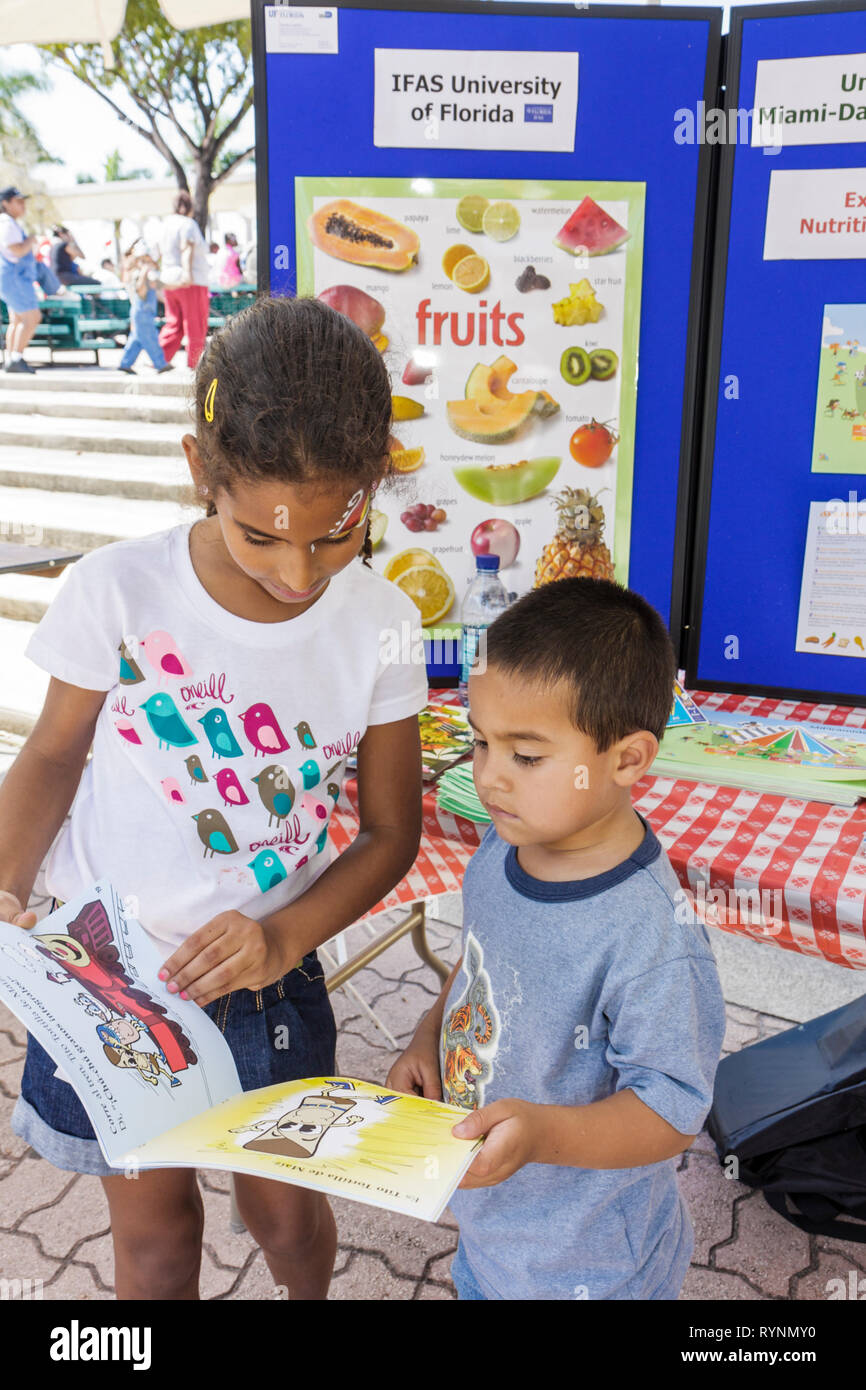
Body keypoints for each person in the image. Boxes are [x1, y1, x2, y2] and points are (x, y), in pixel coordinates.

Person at [0, 296, 428, 1300]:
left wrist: (282, 941)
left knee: (284, 1203)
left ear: (374, 485)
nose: (297, 571)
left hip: (269, 983)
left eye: (334, 534)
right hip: (109, 979)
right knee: (153, 1230)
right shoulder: (115, 589)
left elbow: (390, 831)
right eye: (262, 536)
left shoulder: (385, 620)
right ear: (202, 470)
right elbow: (53, 757)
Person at [388, 577, 727, 1301]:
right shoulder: (501, 845)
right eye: (480, 742)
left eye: (527, 757)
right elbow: (478, 959)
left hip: (594, 1268)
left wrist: (542, 1136)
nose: (488, 778)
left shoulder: (651, 938)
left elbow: (670, 1111)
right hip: (490, 1231)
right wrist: (426, 1036)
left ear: (628, 760)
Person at [158, 191, 210, 369]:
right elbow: (186, 247)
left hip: (169, 279)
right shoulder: (188, 224)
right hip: (190, 280)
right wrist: (187, 274)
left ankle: (159, 358)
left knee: (174, 323)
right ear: (187, 207)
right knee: (195, 323)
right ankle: (194, 364)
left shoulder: (164, 224)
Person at [0, 186, 42, 373]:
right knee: (32, 317)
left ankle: (12, 359)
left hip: (11, 277)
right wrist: (31, 240)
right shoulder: (7, 223)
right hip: (15, 277)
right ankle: (16, 357)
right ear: (5, 203)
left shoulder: (7, 222)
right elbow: (15, 249)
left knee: (17, 319)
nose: (22, 205)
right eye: (18, 201)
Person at [118, 243, 172, 375]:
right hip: (142, 312)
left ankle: (125, 363)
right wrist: (145, 271)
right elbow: (140, 292)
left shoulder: (146, 274)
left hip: (144, 312)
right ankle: (160, 363)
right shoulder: (140, 273)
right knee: (150, 338)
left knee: (136, 340)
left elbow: (159, 290)